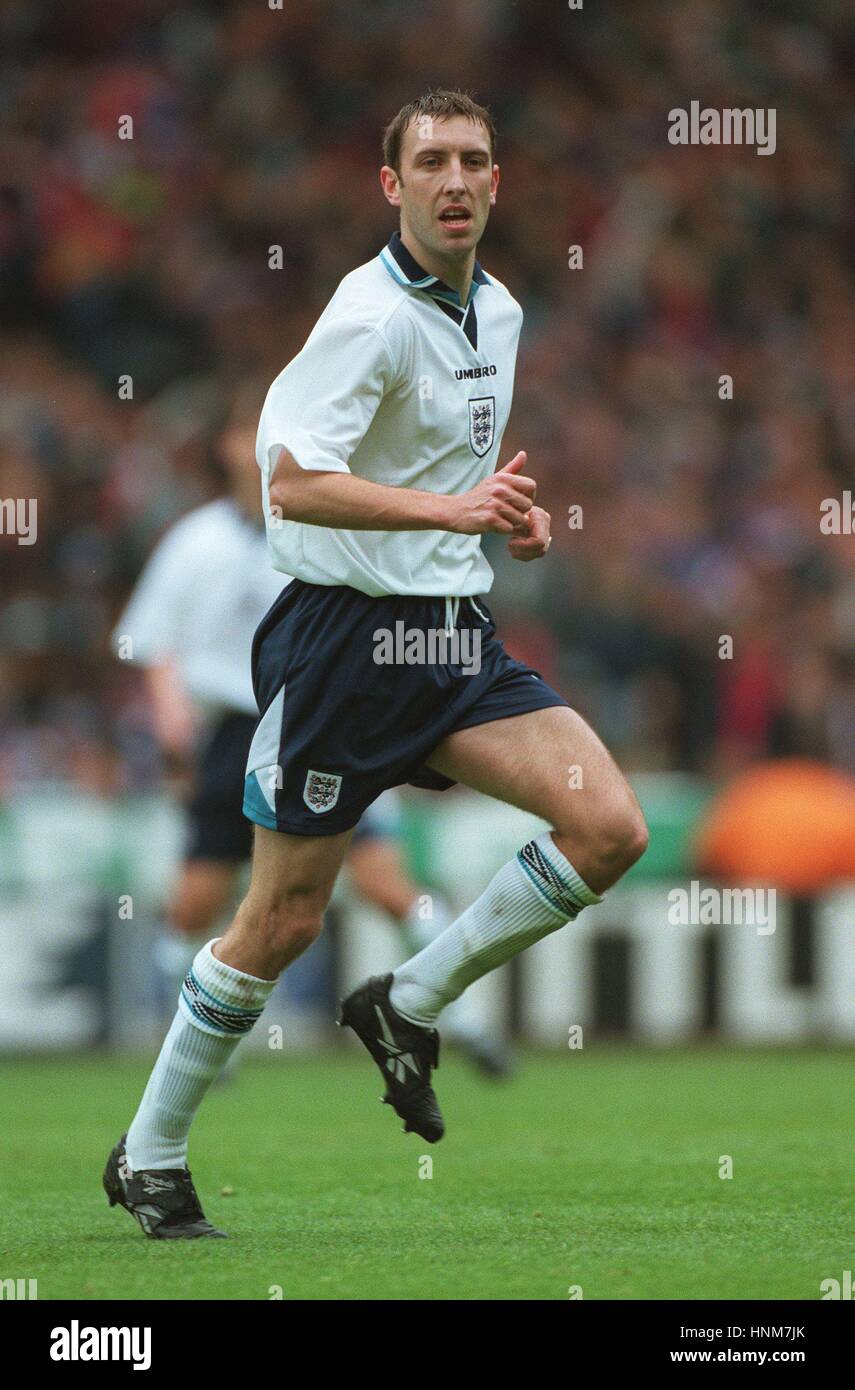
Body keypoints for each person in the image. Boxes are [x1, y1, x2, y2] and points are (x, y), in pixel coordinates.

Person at [104, 88, 647, 1240]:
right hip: (343, 643)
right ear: (391, 187)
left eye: (476, 161)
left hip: (450, 633)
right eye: (433, 162)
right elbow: (292, 481)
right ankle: (149, 1152)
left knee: (609, 829)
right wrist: (452, 510)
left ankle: (406, 1000)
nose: (457, 180)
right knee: (280, 921)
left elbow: (453, 462)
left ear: (499, 183)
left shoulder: (496, 310)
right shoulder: (366, 314)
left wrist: (502, 519)